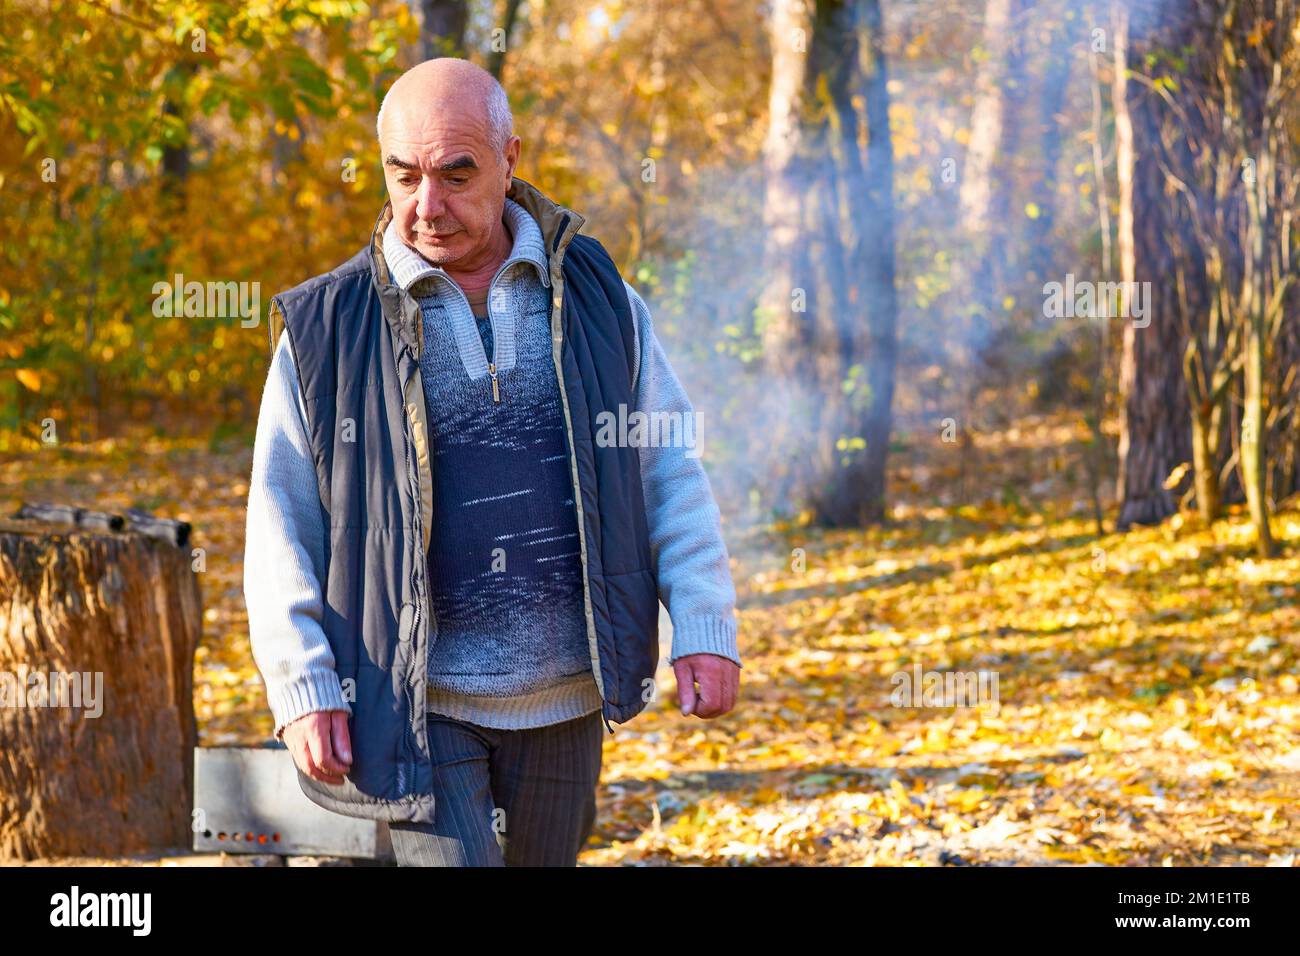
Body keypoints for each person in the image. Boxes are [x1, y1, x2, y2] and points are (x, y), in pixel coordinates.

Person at [243, 57, 741, 866]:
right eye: (402, 177)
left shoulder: (599, 299)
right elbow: (279, 523)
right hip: (413, 705)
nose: (425, 208)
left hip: (568, 699)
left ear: (512, 158)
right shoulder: (326, 330)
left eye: (456, 174)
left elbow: (667, 469)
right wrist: (301, 684)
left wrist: (705, 622)